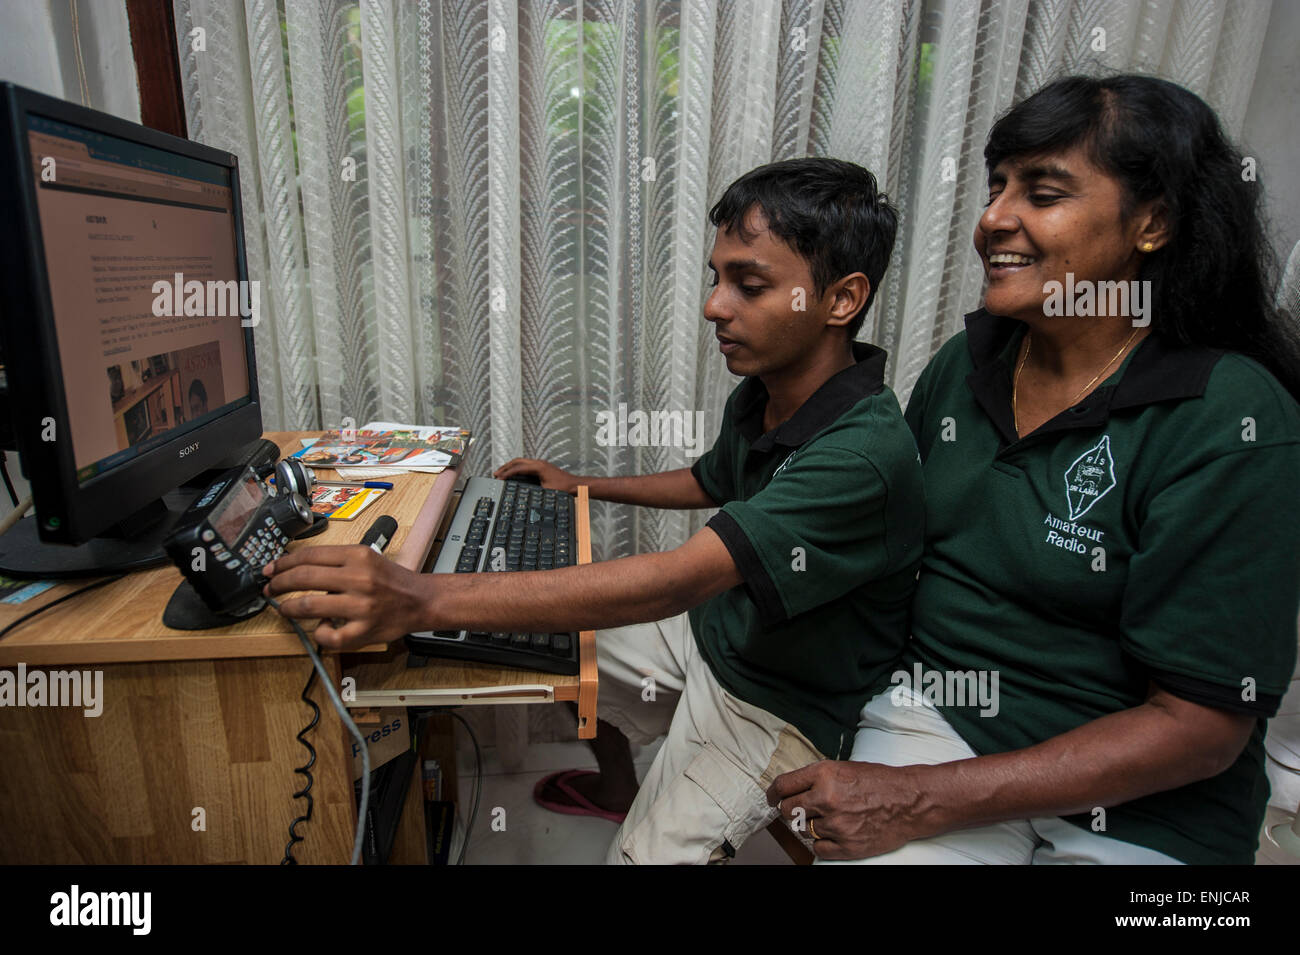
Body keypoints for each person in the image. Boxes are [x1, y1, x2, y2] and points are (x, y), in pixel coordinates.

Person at [263, 157, 925, 864]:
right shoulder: (769, 386)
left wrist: (421, 596)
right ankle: (617, 786)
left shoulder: (861, 455)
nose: (714, 306)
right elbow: (711, 479)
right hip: (722, 633)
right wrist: (581, 484)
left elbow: (677, 579)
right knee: (549, 645)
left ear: (842, 299)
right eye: (716, 277)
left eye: (749, 284)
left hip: (777, 698)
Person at [769, 74, 1300, 865]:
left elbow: (1201, 729)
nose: (993, 220)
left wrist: (916, 799)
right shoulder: (971, 360)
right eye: (996, 186)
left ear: (1151, 222)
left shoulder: (1230, 419)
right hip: (941, 714)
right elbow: (880, 545)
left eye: (1043, 192)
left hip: (1153, 800)